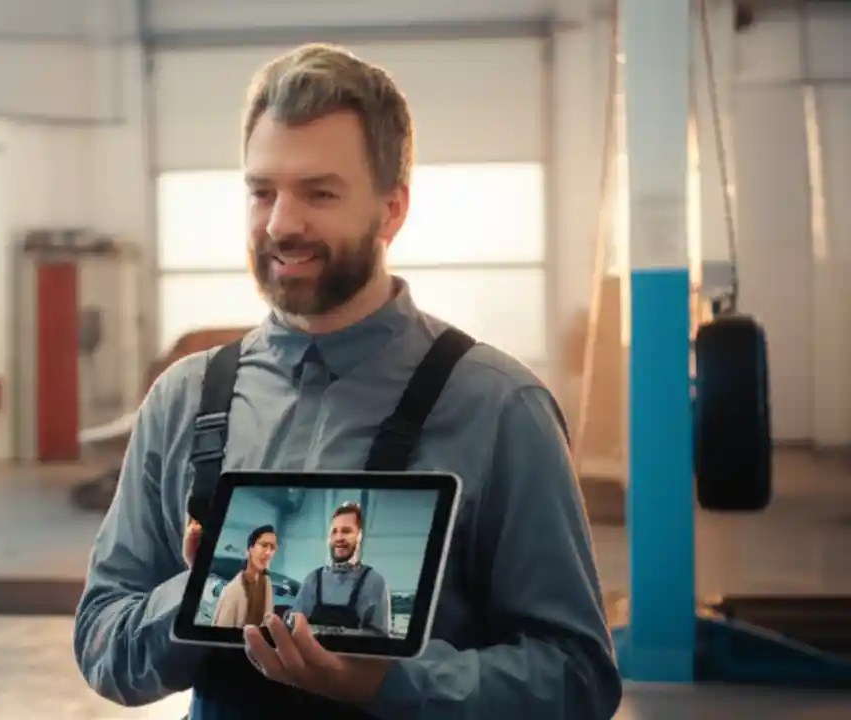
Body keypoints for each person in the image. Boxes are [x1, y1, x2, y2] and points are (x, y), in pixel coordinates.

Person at [73, 43, 621, 719]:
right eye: (262, 191)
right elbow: (102, 643)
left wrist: (391, 683)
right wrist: (201, 591)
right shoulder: (184, 402)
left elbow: (577, 679)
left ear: (392, 209)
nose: (281, 223)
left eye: (319, 193)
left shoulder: (499, 409)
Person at [290, 503, 391, 637]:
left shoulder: (374, 582)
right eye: (334, 531)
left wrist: (332, 633)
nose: (338, 538)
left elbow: (381, 638)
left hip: (353, 658)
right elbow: (293, 628)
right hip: (310, 657)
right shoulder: (312, 579)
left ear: (359, 535)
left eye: (346, 531)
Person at [211, 525, 278, 628]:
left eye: (272, 548)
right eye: (264, 545)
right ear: (250, 549)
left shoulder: (266, 583)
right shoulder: (232, 592)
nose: (268, 553)